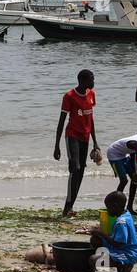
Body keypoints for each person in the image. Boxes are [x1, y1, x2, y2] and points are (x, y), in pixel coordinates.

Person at [53, 70, 97, 218]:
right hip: (72, 135)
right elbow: (61, 121)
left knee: (81, 170)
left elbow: (91, 119)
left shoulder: (91, 94)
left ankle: (70, 206)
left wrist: (95, 143)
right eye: (92, 79)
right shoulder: (69, 96)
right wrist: (57, 145)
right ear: (82, 80)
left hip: (85, 137)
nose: (93, 81)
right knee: (75, 167)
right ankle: (67, 207)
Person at [87, 190, 137, 272]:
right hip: (122, 249)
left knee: (93, 259)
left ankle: (123, 266)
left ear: (115, 206)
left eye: (108, 207)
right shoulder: (127, 214)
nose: (107, 211)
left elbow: (118, 243)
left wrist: (102, 233)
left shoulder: (121, 222)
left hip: (127, 253)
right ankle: (119, 266)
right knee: (95, 239)